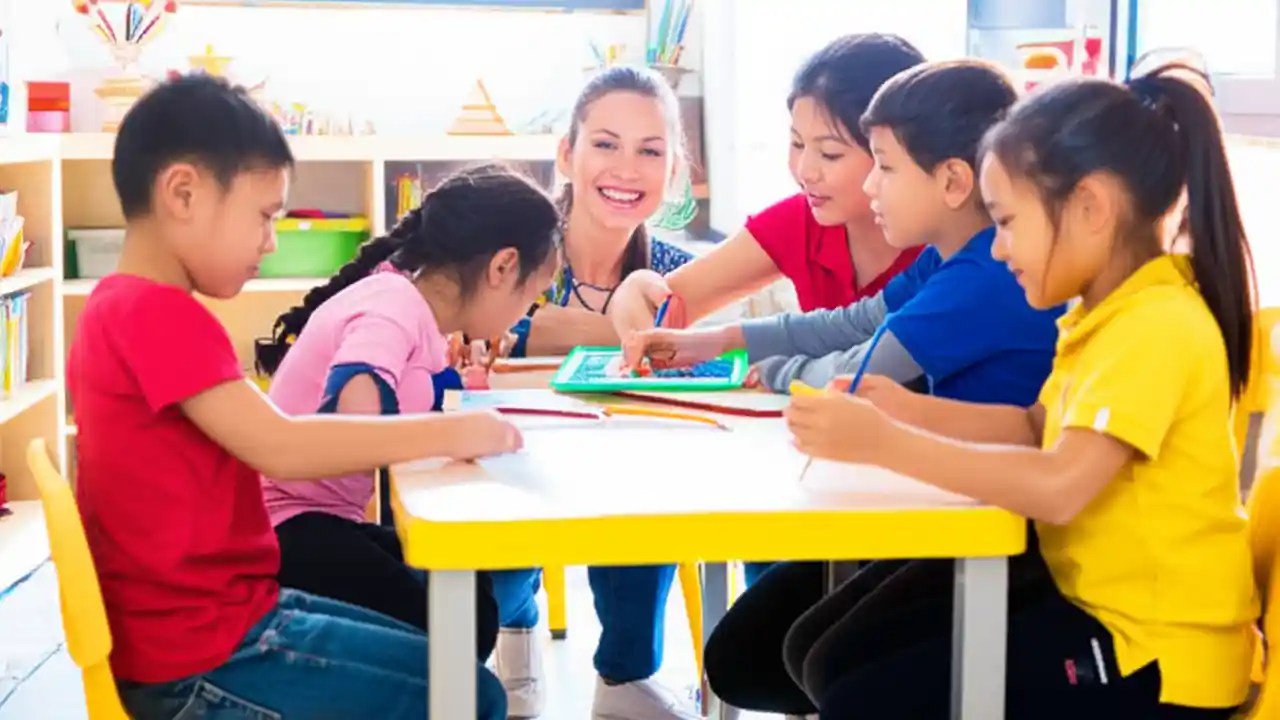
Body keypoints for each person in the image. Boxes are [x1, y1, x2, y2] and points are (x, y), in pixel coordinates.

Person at [787, 66, 1258, 719]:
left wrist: (888, 442)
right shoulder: (1106, 311)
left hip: (1155, 657)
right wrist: (907, 410)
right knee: (835, 661)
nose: (1000, 250)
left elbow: (1061, 484)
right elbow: (1037, 426)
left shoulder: (1156, 325)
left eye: (1007, 222)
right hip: (1098, 609)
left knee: (863, 696)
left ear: (1091, 208)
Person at [68, 74, 534, 719]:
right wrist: (452, 431)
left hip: (223, 619)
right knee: (469, 694)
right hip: (204, 655)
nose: (270, 241)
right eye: (263, 217)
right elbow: (280, 445)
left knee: (456, 658)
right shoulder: (156, 316)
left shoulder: (122, 308)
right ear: (183, 194)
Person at [692, 60, 1062, 716]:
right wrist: (728, 342)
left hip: (989, 527)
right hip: (932, 501)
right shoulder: (948, 254)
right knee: (758, 654)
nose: (869, 184)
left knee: (817, 665)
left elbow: (859, 376)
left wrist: (764, 373)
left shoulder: (985, 274)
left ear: (952, 181)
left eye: (883, 167)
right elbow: (858, 322)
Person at [253, 165, 559, 668]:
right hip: (288, 532)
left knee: (472, 606)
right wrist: (451, 433)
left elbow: (423, 389)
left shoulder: (408, 301)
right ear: (502, 268)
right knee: (458, 624)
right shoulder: (392, 308)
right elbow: (353, 419)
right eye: (529, 298)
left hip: (314, 522)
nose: (523, 317)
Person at [494, 65, 702, 720]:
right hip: (510, 463)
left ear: (672, 172)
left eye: (650, 151)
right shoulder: (512, 249)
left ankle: (626, 676)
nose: (626, 169)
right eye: (606, 144)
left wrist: (551, 334)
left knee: (651, 469)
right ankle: (514, 638)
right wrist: (631, 334)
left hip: (628, 470)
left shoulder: (678, 270)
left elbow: (700, 362)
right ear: (567, 154)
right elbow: (498, 329)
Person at [608, 34, 925, 362]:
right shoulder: (803, 218)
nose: (805, 171)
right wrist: (636, 289)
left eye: (830, 154)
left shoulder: (945, 243)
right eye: (797, 144)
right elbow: (670, 300)